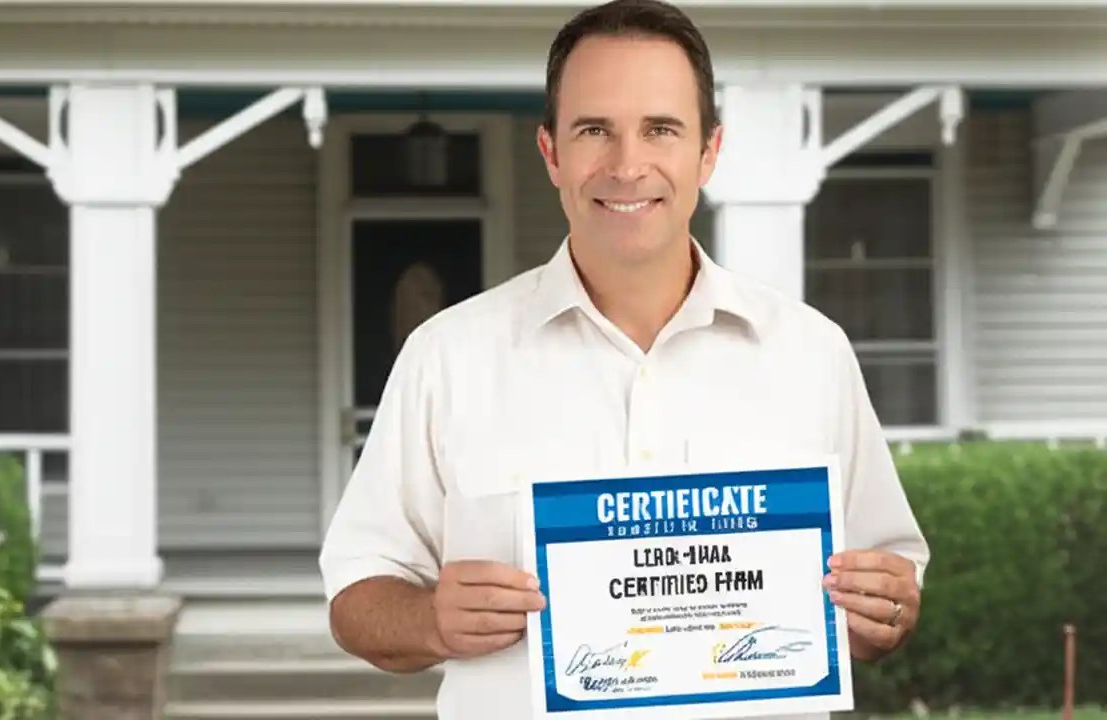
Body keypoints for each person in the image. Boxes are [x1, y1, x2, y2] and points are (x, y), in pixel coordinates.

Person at [319, 0, 930, 717]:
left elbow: (886, 595)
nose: (627, 164)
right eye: (593, 131)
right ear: (551, 152)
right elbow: (356, 596)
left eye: (661, 129)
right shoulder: (447, 357)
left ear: (709, 151)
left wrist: (883, 611)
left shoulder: (811, 353)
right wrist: (427, 620)